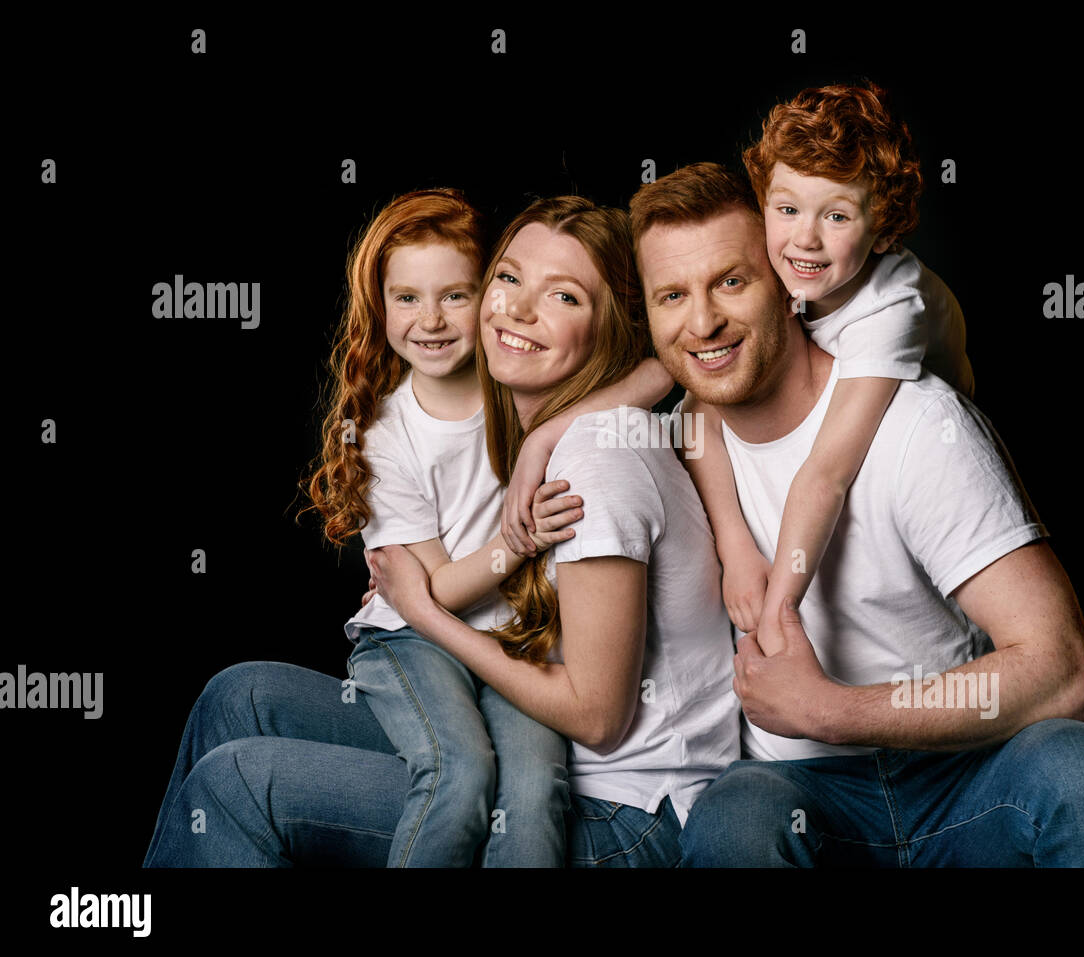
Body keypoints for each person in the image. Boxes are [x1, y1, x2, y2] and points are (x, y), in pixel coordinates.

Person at [143, 195, 738, 868]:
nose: (515, 309)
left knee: (238, 784)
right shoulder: (531, 422)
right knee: (238, 694)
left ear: (612, 327)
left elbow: (597, 717)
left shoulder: (596, 462)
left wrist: (422, 608)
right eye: (509, 279)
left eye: (565, 296)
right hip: (541, 725)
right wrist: (542, 435)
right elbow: (661, 367)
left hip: (619, 811)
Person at [629, 161, 1084, 866]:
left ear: (789, 281)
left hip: (965, 772)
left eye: (731, 280)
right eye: (672, 295)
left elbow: (1065, 671)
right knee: (733, 819)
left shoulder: (915, 425)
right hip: (802, 791)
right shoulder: (674, 440)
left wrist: (829, 711)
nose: (702, 320)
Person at [297, 188, 582, 867]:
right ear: (380, 305)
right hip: (411, 638)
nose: (430, 319)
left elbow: (654, 367)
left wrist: (541, 445)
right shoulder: (385, 433)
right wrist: (518, 539)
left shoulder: (523, 380)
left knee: (538, 788)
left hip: (513, 643)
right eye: (407, 298)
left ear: (490, 296)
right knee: (460, 771)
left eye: (454, 295)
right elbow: (436, 594)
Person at [682, 83, 974, 656]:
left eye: (837, 215)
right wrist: (736, 548)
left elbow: (826, 475)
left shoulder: (891, 308)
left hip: (918, 460)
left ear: (884, 229)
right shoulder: (788, 270)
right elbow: (694, 402)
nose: (805, 238)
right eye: (787, 209)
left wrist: (775, 614)